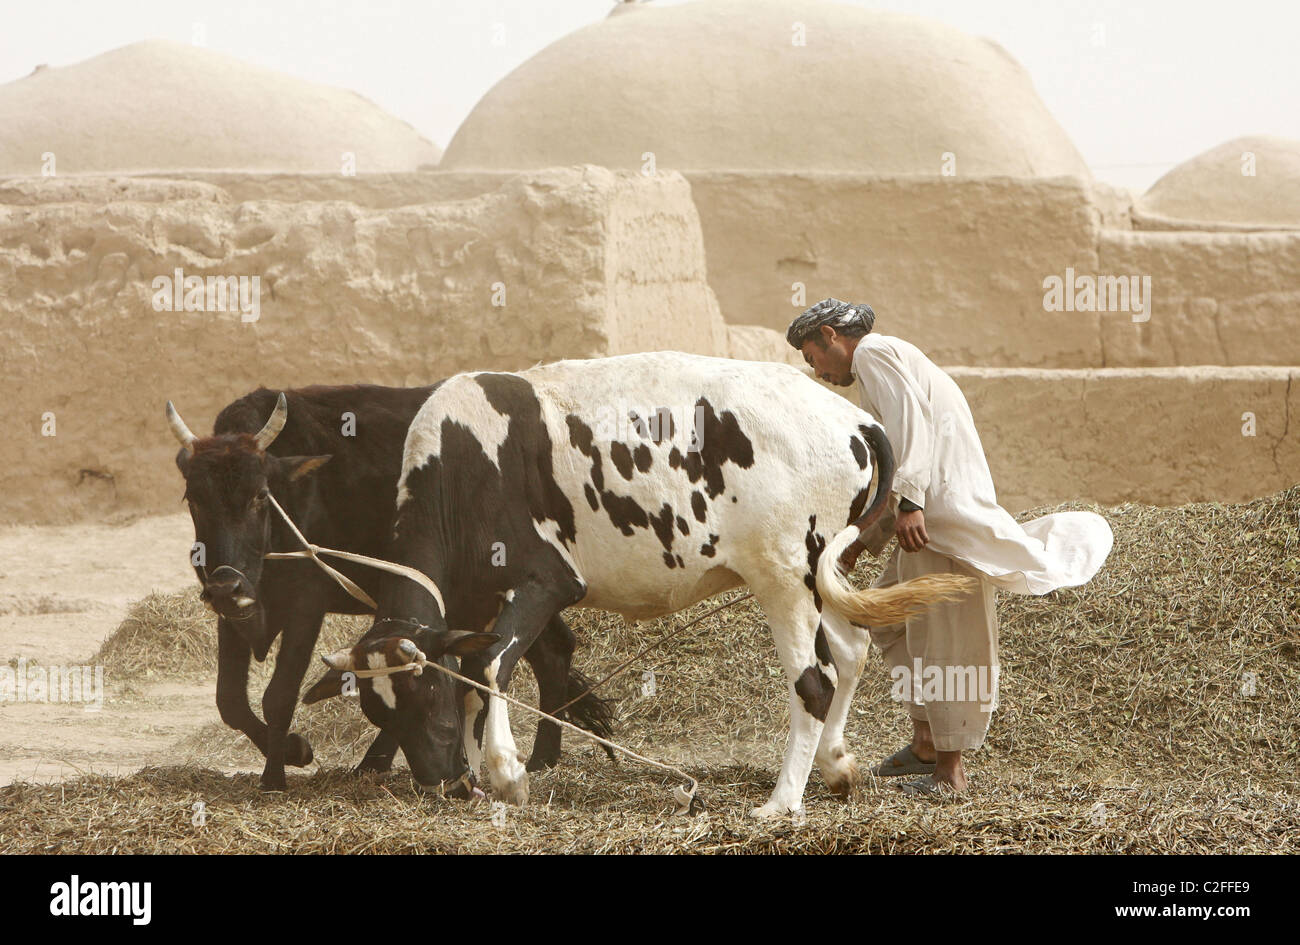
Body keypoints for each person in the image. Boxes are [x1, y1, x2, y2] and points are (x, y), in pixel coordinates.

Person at [787, 298, 1113, 794]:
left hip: (938, 523)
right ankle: (923, 746)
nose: (818, 371)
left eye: (813, 357)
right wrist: (861, 542)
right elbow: (895, 460)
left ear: (831, 336)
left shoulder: (874, 353)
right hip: (922, 523)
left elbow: (912, 430)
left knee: (946, 641)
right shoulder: (886, 363)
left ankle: (949, 773)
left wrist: (913, 503)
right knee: (887, 621)